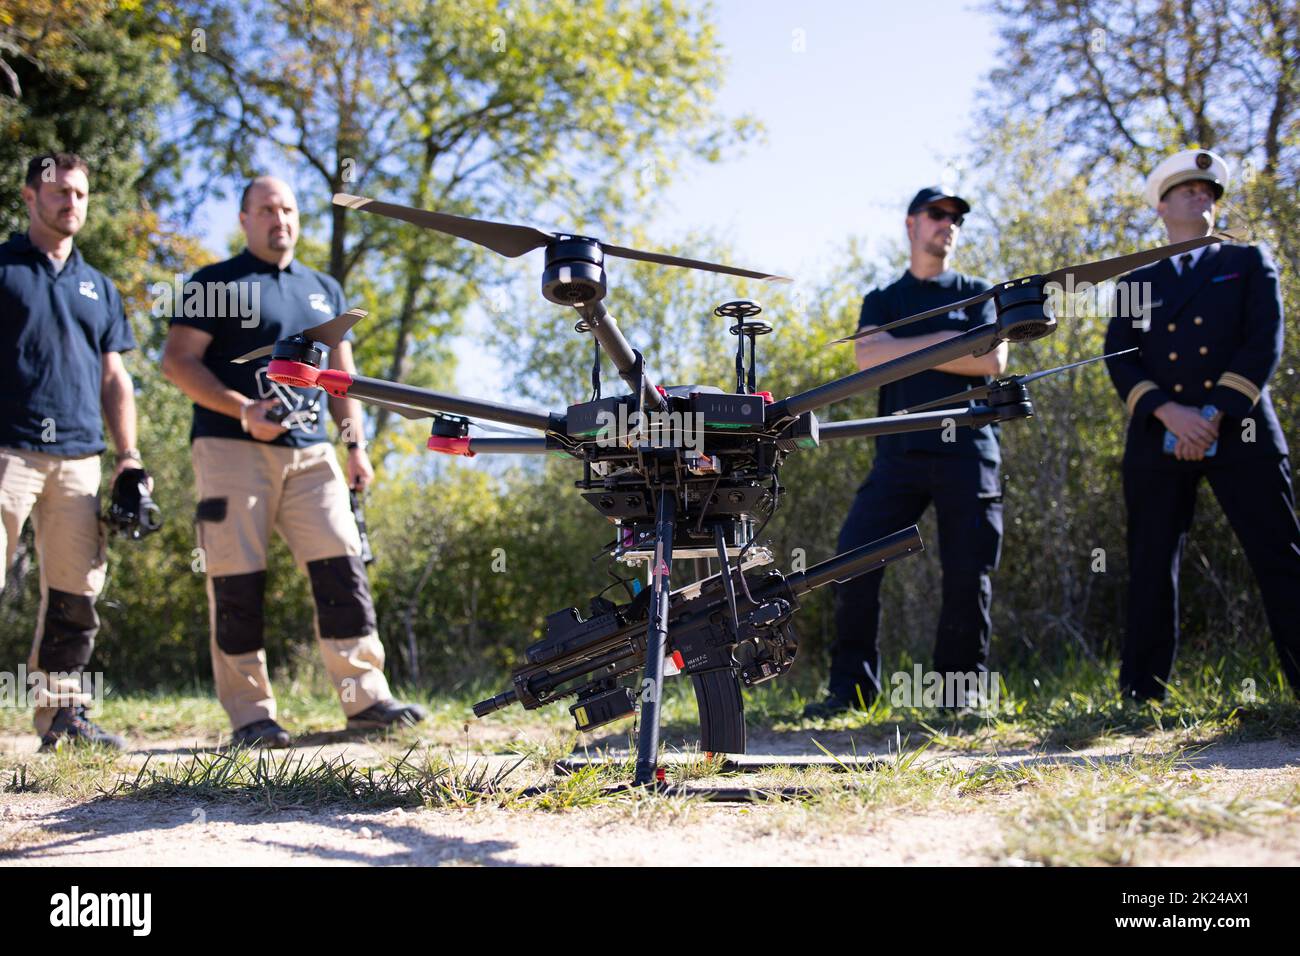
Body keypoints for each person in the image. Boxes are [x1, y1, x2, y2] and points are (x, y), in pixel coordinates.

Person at [162, 175, 426, 746]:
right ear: (244, 219)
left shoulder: (324, 288)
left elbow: (341, 379)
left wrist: (355, 445)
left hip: (312, 454)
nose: (278, 219)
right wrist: (241, 411)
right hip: (231, 449)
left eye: (287, 209)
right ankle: (251, 715)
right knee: (237, 582)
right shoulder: (214, 282)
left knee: (343, 569)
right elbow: (178, 362)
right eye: (265, 210)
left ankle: (366, 701)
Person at [1104, 148, 1300, 700]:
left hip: (1238, 428)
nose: (1202, 195)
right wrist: (1170, 413)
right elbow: (1120, 356)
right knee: (1149, 565)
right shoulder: (1138, 279)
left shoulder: (1248, 261)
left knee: (1279, 556)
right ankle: (1141, 695)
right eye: (1188, 189)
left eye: (1208, 190)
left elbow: (1264, 342)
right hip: (1160, 433)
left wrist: (1211, 417)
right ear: (1162, 207)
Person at [805, 187, 1009, 717]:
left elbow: (993, 359)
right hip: (898, 456)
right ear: (911, 224)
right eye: (938, 214)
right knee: (852, 560)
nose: (949, 224)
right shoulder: (883, 300)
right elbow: (868, 357)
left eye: (956, 218)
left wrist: (908, 349)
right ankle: (849, 694)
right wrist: (951, 342)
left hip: (970, 449)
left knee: (968, 574)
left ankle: (958, 699)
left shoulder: (979, 292)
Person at [1, 152, 142, 750]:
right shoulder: (4, 268)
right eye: (59, 192)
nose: (71, 203)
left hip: (81, 459)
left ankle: (63, 717)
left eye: (81, 194)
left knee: (75, 593)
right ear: (30, 197)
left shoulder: (99, 287)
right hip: (7, 449)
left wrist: (129, 457)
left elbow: (115, 378)